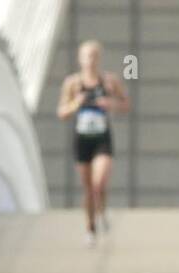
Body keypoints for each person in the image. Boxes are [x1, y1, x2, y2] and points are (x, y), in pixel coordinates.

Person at [56, 40, 131, 247]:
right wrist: (75, 104)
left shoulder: (108, 81)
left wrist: (111, 104)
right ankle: (90, 228)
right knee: (88, 188)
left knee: (99, 183)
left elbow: (126, 104)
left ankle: (102, 210)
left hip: (102, 138)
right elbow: (61, 112)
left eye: (94, 56)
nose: (90, 60)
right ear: (80, 59)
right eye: (86, 56)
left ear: (99, 58)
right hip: (82, 139)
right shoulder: (72, 83)